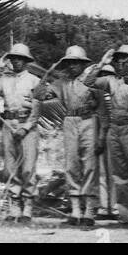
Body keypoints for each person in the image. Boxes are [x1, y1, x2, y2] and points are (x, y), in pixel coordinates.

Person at [40, 45, 101, 229]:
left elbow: (102, 107)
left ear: (83, 64)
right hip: (70, 120)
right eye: (70, 63)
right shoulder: (61, 82)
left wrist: (102, 131)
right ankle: (75, 209)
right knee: (71, 164)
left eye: (77, 62)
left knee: (89, 164)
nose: (73, 66)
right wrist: (51, 69)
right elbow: (39, 94)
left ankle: (89, 210)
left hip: (89, 120)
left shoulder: (92, 80)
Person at [0, 42, 42, 224]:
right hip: (8, 124)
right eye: (14, 58)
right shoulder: (4, 80)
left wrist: (26, 127)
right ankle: (15, 205)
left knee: (27, 168)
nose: (17, 62)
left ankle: (27, 206)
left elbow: (37, 108)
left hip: (27, 126)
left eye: (21, 59)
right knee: (10, 167)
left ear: (26, 61)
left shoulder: (34, 80)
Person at [89, 45, 128, 223]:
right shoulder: (110, 80)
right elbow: (88, 81)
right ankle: (124, 214)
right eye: (118, 59)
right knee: (119, 175)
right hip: (114, 128)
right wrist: (102, 63)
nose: (121, 63)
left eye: (126, 59)